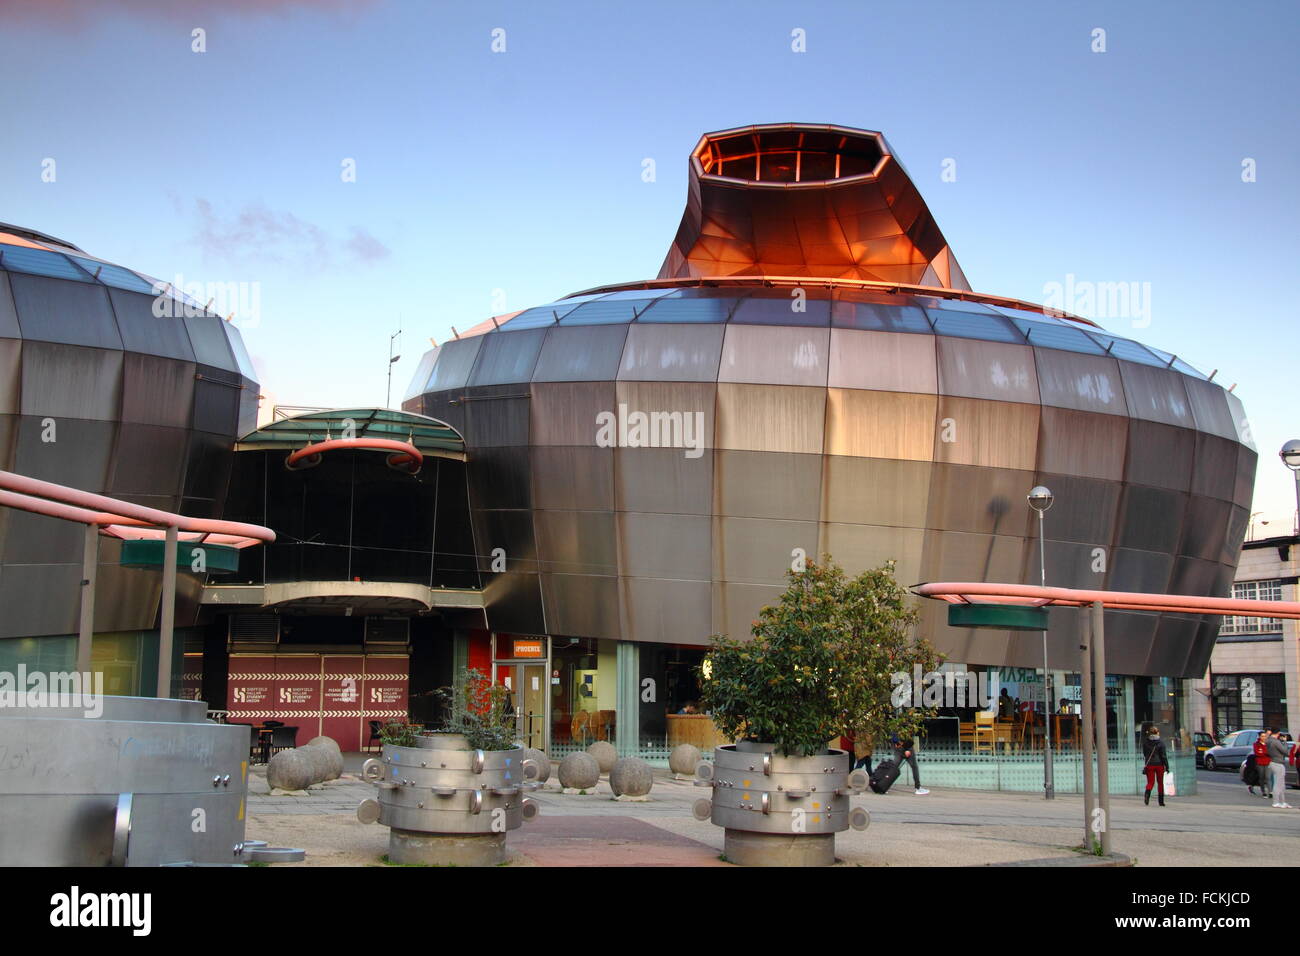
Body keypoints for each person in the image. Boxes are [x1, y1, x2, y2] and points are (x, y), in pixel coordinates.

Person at [1141, 724, 1169, 806]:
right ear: (1157, 733)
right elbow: (1163, 756)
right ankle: (1161, 801)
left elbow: (1145, 754)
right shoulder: (1161, 743)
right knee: (1160, 783)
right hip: (1159, 764)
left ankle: (1147, 795)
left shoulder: (1146, 743)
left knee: (1150, 782)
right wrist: (1167, 766)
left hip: (1149, 764)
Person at [1266, 728, 1292, 808]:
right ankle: (1276, 802)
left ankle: (1282, 802)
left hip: (1273, 762)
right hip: (1278, 763)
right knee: (1278, 784)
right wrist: (1284, 742)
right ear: (1278, 733)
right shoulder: (1276, 742)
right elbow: (1286, 752)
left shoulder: (1268, 740)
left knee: (1281, 784)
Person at [1254, 730, 1273, 800]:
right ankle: (1263, 791)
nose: (1264, 737)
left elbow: (1270, 752)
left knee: (1268, 777)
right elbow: (1257, 753)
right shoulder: (1256, 744)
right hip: (1260, 762)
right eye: (1262, 736)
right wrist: (1264, 753)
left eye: (1265, 736)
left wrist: (1264, 752)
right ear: (1259, 737)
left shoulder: (1268, 743)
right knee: (1261, 777)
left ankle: (1270, 792)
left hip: (1268, 762)